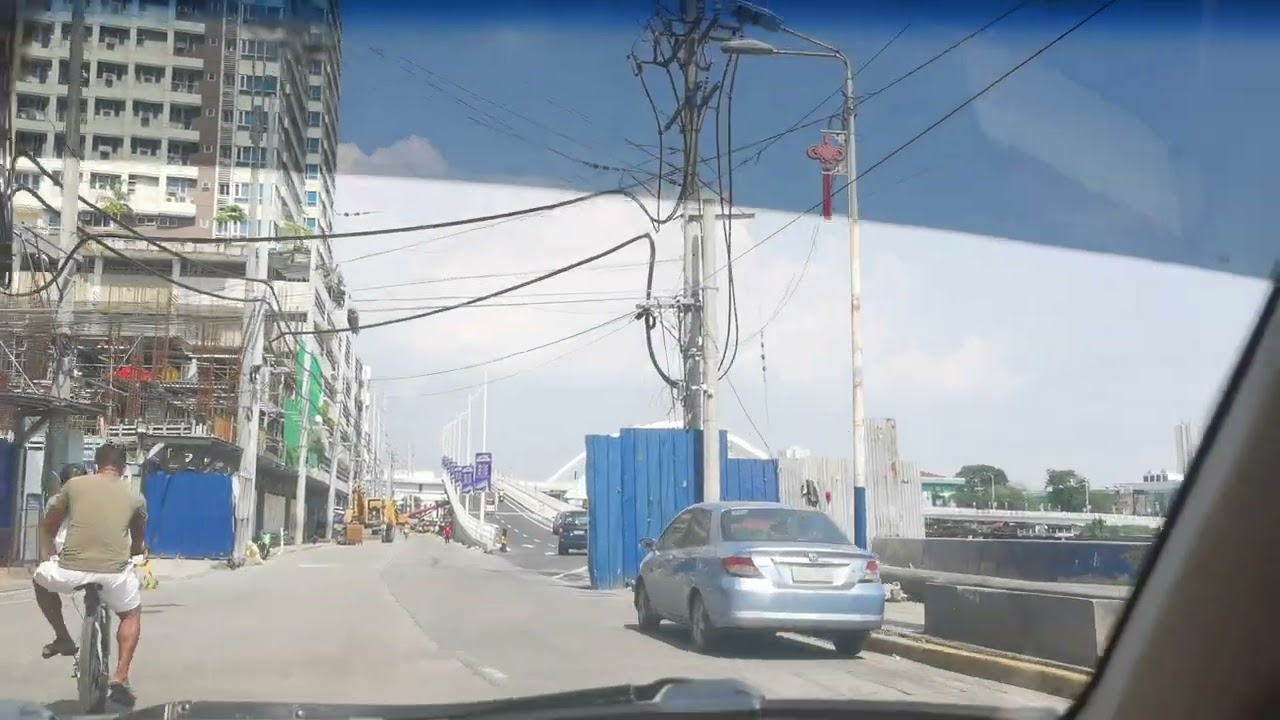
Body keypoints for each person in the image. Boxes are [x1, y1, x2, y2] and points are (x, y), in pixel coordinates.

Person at [33, 444, 147, 707]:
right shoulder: (135, 497)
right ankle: (120, 674)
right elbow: (138, 539)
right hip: (113, 574)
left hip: (70, 568)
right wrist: (135, 553)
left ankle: (63, 637)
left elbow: (50, 522)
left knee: (40, 579)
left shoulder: (73, 486)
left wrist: (49, 550)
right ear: (124, 468)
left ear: (96, 466)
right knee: (131, 614)